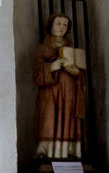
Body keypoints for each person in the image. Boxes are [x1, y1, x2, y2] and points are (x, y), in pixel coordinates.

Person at [32, 13, 86, 163]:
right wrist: (52, 67)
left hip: (69, 92)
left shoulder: (72, 51)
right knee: (48, 120)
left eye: (65, 25)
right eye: (59, 23)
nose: (62, 27)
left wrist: (77, 73)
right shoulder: (42, 49)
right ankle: (45, 152)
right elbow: (36, 74)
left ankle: (68, 151)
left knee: (68, 119)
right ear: (51, 25)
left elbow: (83, 75)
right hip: (50, 92)